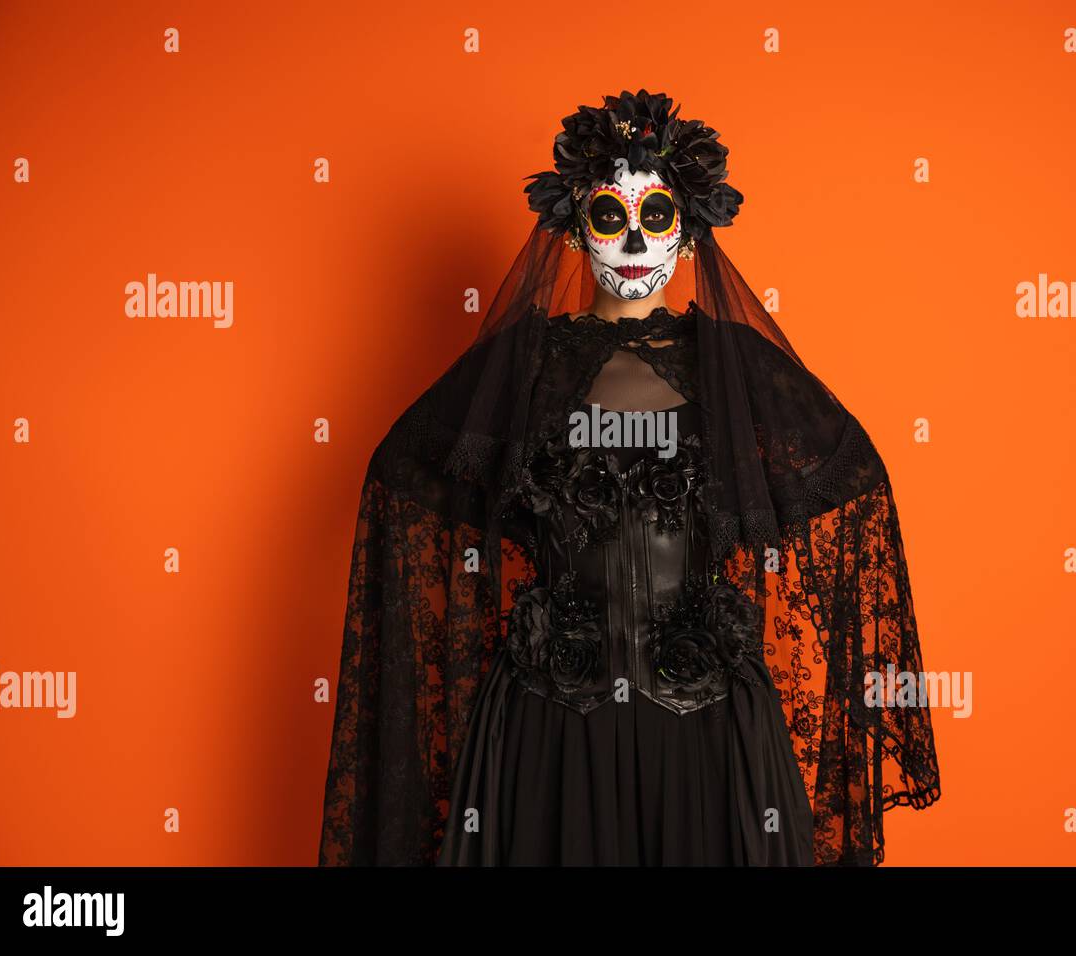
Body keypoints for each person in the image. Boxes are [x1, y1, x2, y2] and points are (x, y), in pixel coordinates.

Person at [319, 89, 942, 867]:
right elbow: (403, 473)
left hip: (711, 732)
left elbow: (851, 475)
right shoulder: (523, 368)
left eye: (657, 218)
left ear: (687, 238)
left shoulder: (735, 365)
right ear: (578, 226)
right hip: (549, 728)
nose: (635, 243)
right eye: (612, 217)